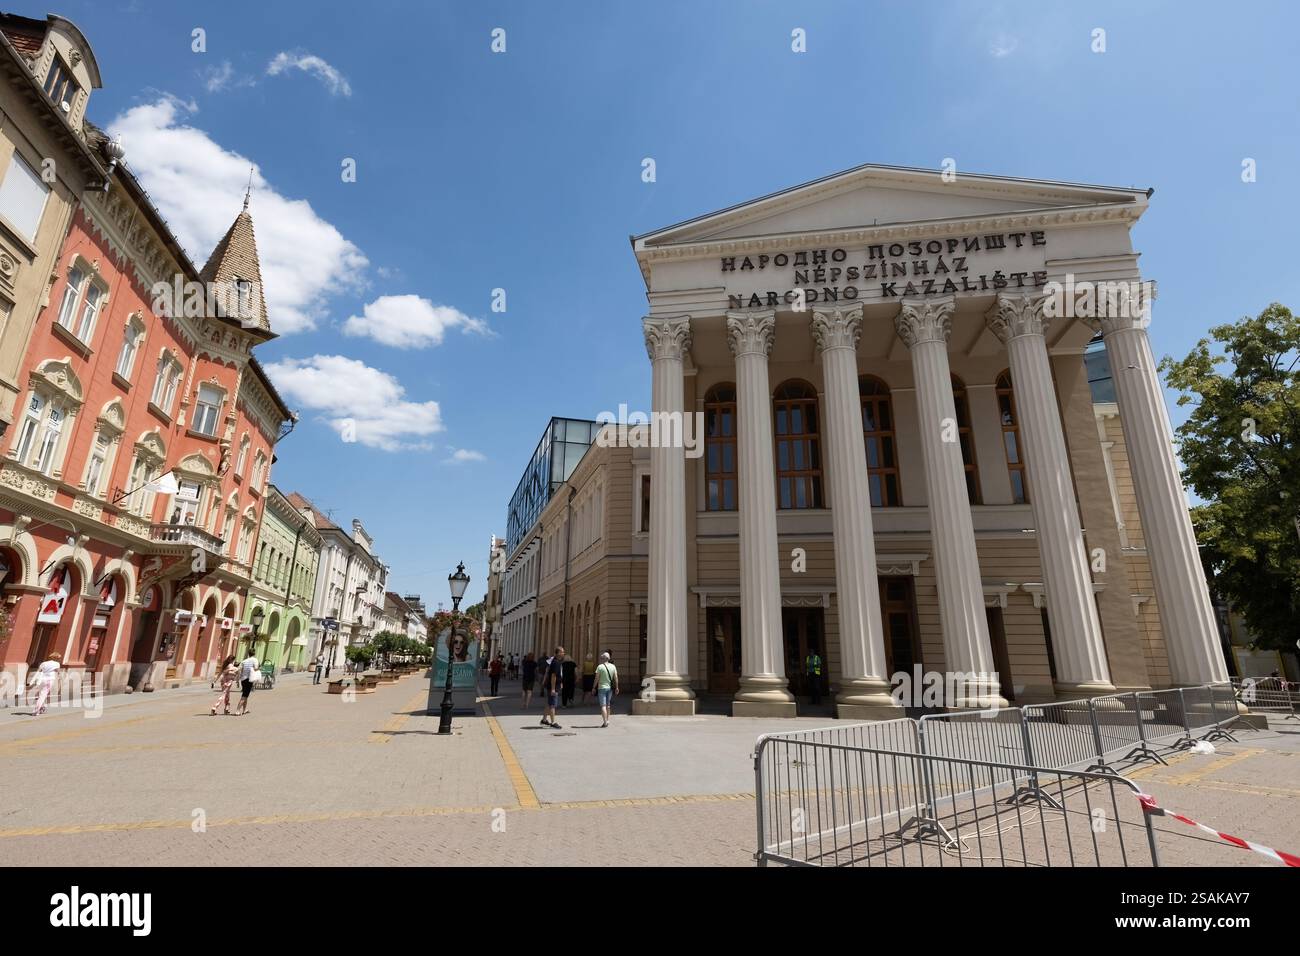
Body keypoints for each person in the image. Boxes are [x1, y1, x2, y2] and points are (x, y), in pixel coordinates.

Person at [28, 651, 61, 716]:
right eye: (59, 658)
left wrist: (32, 681)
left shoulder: (43, 663)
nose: (59, 659)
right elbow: (58, 672)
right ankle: (35, 711)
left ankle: (42, 708)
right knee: (42, 695)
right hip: (49, 680)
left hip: (41, 680)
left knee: (41, 694)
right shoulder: (57, 664)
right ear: (56, 658)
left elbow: (38, 672)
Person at [540, 647, 564, 729]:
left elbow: (557, 674)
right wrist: (553, 688)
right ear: (558, 653)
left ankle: (544, 719)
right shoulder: (556, 662)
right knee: (553, 705)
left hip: (553, 686)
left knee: (549, 703)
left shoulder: (555, 661)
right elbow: (553, 676)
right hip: (553, 687)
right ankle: (553, 722)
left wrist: (560, 683)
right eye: (562, 652)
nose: (563, 653)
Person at [595, 652, 619, 728]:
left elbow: (596, 678)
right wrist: (617, 687)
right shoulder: (613, 666)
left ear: (603, 658)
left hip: (601, 688)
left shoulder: (600, 667)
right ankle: (607, 719)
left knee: (603, 706)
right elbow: (616, 678)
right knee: (608, 705)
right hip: (610, 688)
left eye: (602, 658)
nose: (601, 659)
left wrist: (593, 687)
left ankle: (605, 722)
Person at [235, 648, 259, 715]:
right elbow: (256, 668)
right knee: (244, 695)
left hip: (243, 679)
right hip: (249, 679)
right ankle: (237, 710)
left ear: (248, 653)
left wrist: (237, 680)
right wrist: (259, 669)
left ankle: (244, 709)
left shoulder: (244, 661)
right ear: (254, 653)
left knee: (246, 695)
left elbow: (239, 670)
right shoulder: (255, 660)